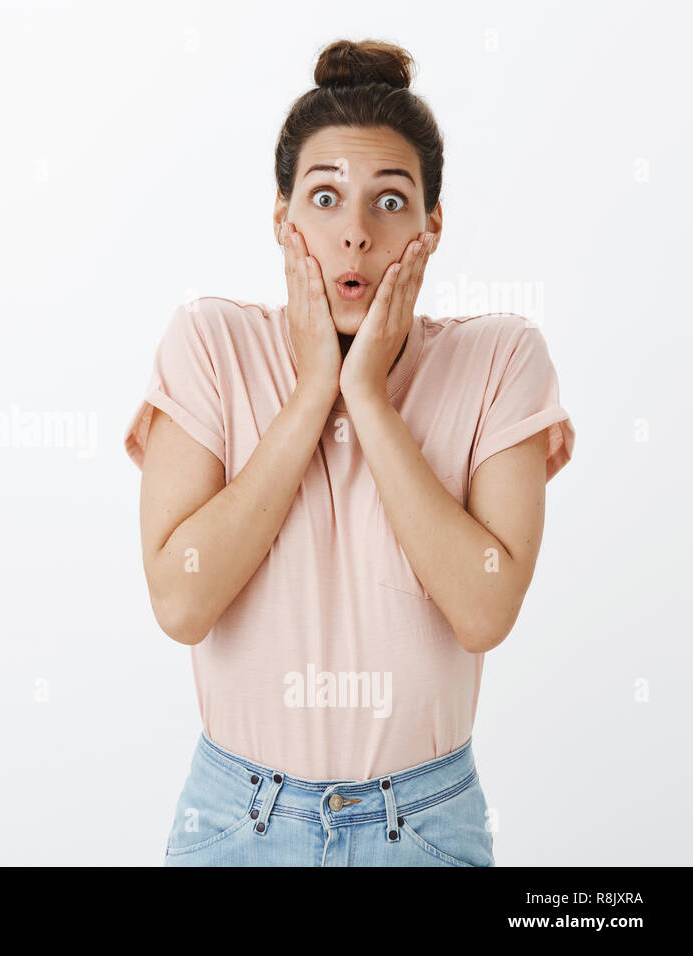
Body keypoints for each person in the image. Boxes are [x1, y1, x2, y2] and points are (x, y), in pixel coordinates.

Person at [123, 38, 575, 866]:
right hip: (236, 824)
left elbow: (484, 612)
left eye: (391, 202)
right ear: (281, 219)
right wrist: (310, 395)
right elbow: (180, 605)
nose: (356, 235)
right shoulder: (210, 344)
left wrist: (367, 395)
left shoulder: (501, 359)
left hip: (425, 827)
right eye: (324, 198)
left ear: (433, 224)